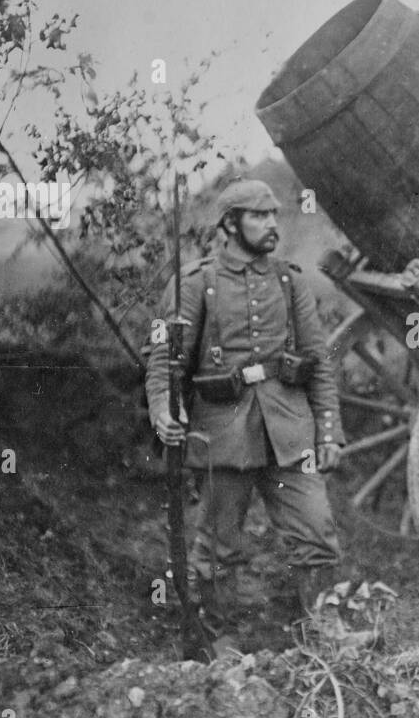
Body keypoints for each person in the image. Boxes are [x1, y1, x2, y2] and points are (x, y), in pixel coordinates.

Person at [144, 178, 345, 650]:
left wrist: (328, 433)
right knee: (218, 549)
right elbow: (161, 360)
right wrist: (160, 410)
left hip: (289, 431)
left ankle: (324, 634)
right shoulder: (195, 283)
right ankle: (221, 640)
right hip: (223, 435)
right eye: (259, 216)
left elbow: (318, 360)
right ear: (231, 224)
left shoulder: (289, 280)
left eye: (274, 215)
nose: (272, 224)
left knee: (316, 531)